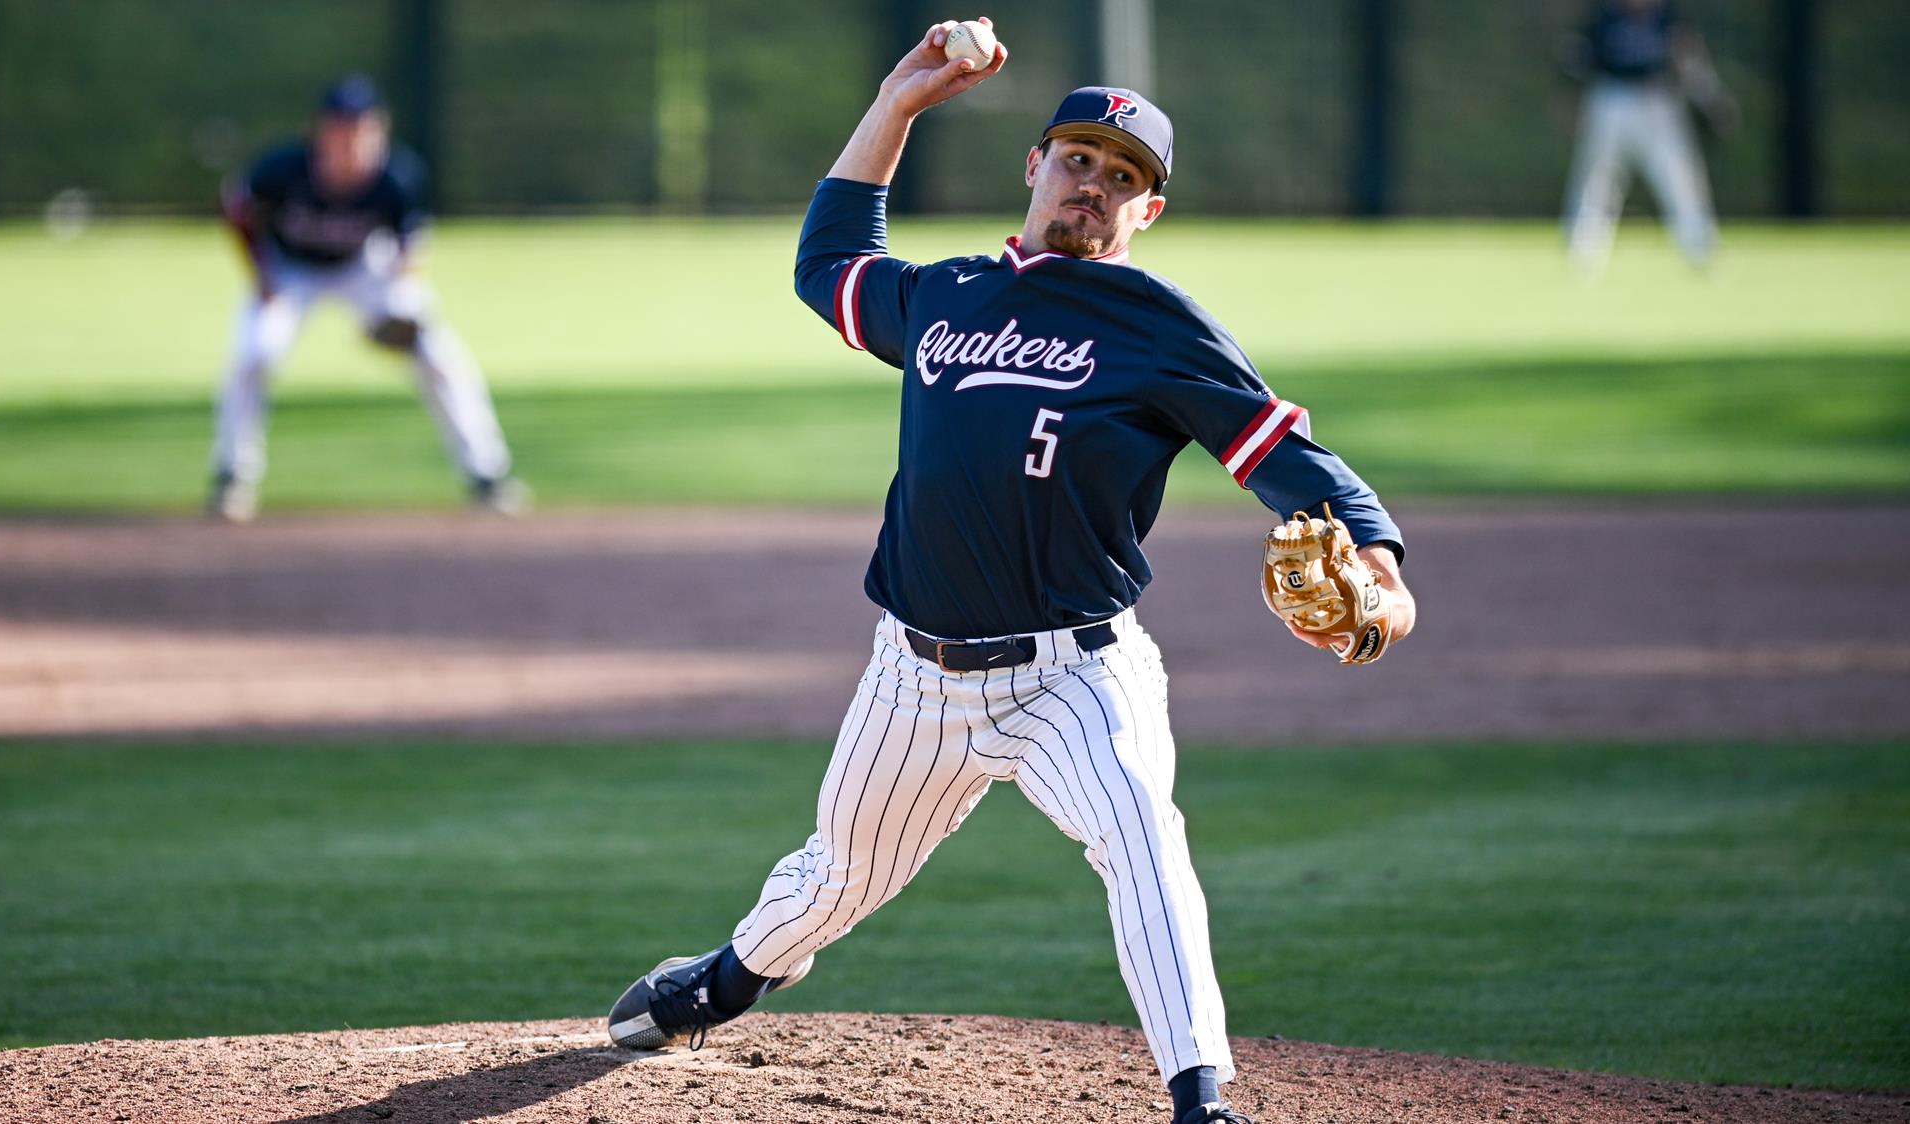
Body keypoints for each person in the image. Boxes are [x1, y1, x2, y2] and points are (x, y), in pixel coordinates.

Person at [604, 20, 1416, 1124]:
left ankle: (1200, 1096)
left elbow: (1281, 450)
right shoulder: (944, 294)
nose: (1093, 185)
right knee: (840, 873)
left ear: (1147, 211)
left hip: (1076, 674)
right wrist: (896, 104)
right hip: (913, 676)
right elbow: (827, 266)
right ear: (1034, 166)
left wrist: (1376, 556)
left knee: (1141, 840)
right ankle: (727, 978)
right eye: (1078, 159)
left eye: (1122, 177)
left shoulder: (1159, 326)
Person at [207, 74, 525, 522]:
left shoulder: (398, 176)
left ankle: (487, 474)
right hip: (291, 270)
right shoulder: (284, 168)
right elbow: (236, 208)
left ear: (380, 131)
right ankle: (231, 476)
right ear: (321, 131)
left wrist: (395, 309)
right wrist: (261, 276)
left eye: (363, 127)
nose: (353, 137)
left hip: (363, 269)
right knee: (254, 353)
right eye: (342, 126)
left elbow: (411, 252)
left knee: (439, 356)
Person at [1559, 0, 1734, 272]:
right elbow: (1580, 61)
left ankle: (1700, 247)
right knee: (1597, 178)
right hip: (1612, 100)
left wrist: (1709, 98)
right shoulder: (1605, 15)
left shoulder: (1667, 17)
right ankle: (1583, 252)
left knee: (1680, 177)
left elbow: (1689, 60)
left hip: (1658, 100)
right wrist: (1571, 101)